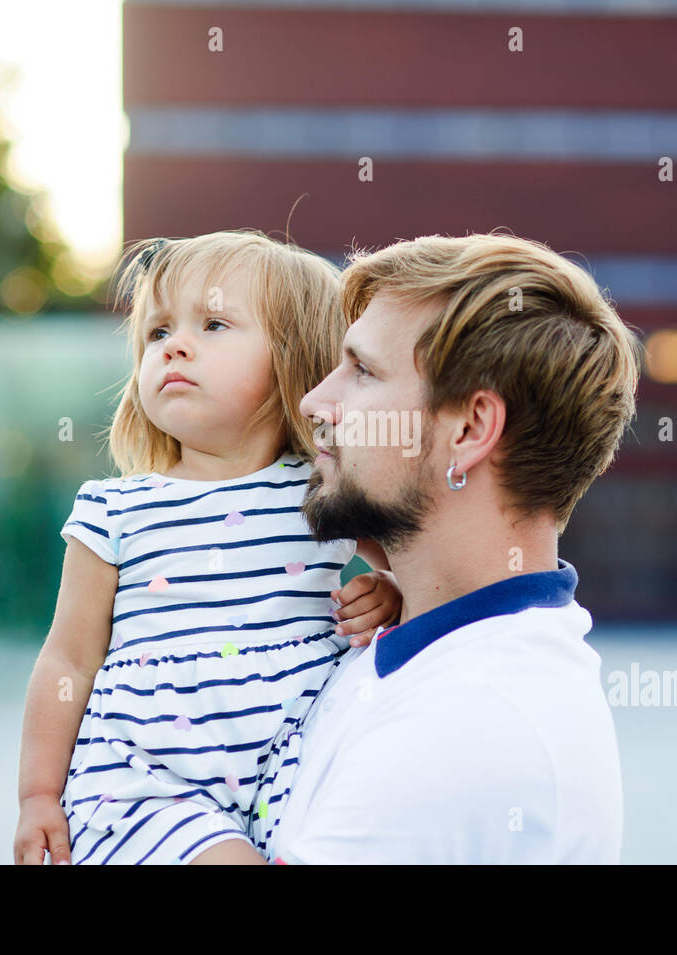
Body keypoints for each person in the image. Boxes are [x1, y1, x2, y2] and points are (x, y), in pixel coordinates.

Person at [240, 231, 644, 864]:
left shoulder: (470, 725)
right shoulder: (430, 644)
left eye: (364, 371)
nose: (314, 401)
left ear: (470, 429)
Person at [13, 230, 402, 865]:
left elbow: (412, 568)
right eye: (158, 333)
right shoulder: (113, 511)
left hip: (291, 763)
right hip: (149, 783)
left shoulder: (324, 490)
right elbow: (67, 662)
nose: (175, 347)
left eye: (214, 323)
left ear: (293, 358)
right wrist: (37, 796)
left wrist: (387, 594)